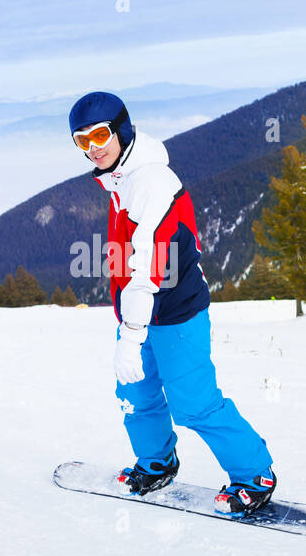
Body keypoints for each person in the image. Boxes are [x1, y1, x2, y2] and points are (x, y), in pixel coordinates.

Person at [69, 91, 276, 516]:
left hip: (178, 314)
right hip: (140, 315)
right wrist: (129, 325)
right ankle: (157, 463)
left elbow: (149, 267)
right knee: (136, 397)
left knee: (195, 404)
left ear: (122, 129)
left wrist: (130, 336)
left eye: (101, 135)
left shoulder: (153, 183)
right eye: (82, 140)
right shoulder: (120, 179)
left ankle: (255, 474)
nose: (94, 147)